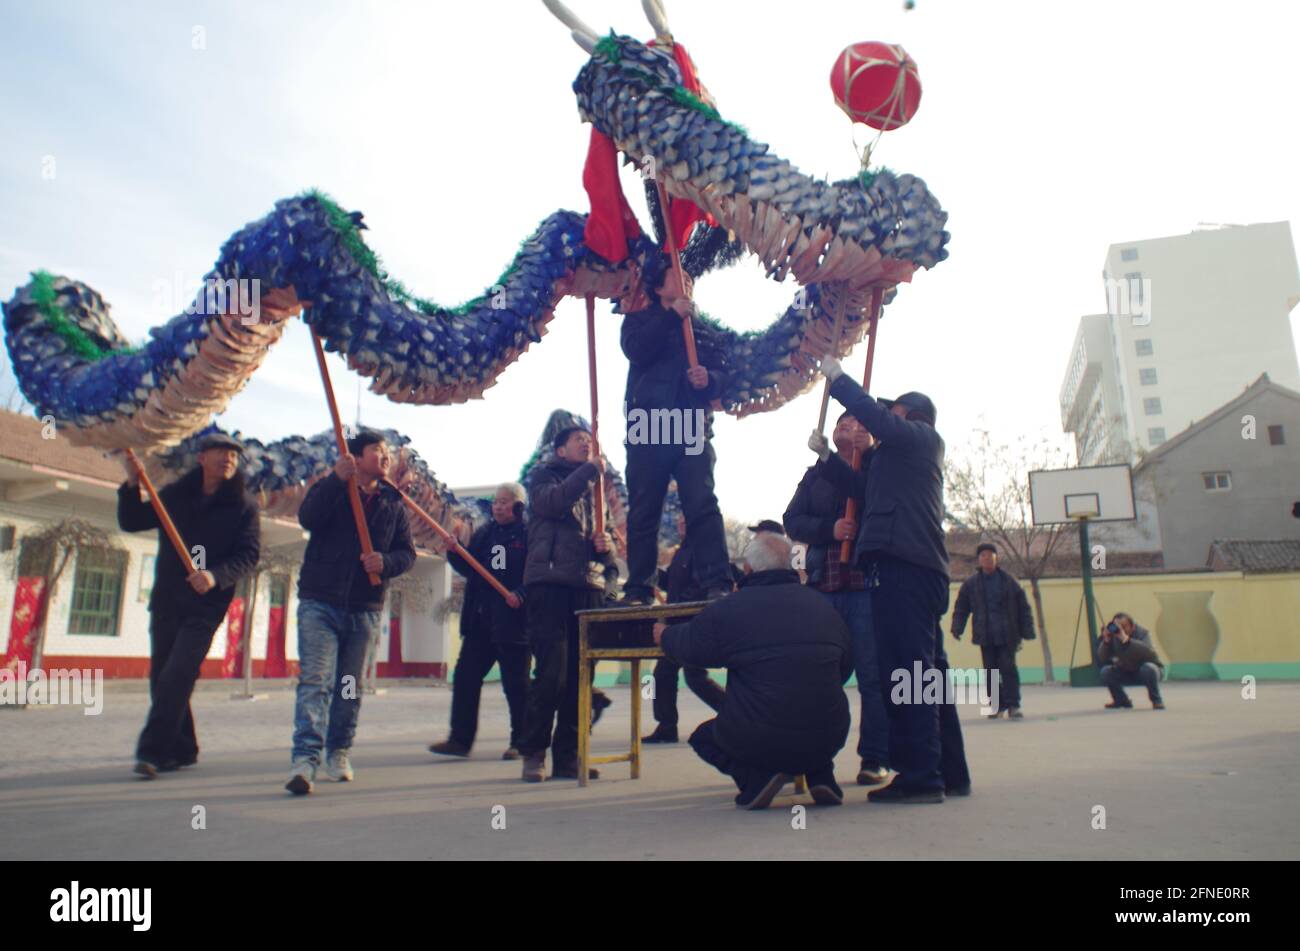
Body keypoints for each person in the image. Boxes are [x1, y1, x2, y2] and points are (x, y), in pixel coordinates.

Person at [814, 357, 950, 804]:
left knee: (908, 675)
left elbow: (879, 424)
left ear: (911, 417)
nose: (883, 418)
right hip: (904, 570)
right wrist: (828, 459)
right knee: (921, 676)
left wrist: (839, 382)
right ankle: (948, 771)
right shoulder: (897, 462)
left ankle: (922, 777)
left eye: (891, 412)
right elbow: (862, 490)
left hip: (907, 569)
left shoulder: (921, 439)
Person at [655, 533, 853, 810]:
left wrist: (665, 635)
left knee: (704, 738)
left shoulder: (731, 608)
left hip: (761, 737)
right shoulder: (824, 606)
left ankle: (757, 779)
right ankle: (821, 775)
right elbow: (843, 667)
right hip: (831, 733)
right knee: (810, 718)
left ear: (748, 568)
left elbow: (691, 648)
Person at [119, 433, 261, 779]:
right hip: (167, 597)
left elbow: (249, 555)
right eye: (221, 453)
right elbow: (132, 520)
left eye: (233, 455)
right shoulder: (175, 496)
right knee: (162, 676)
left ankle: (152, 752)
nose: (228, 459)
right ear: (202, 458)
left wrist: (214, 576)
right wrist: (131, 482)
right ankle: (183, 748)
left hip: (206, 604)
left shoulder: (243, 505)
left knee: (178, 673)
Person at [286, 430, 416, 795]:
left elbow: (407, 554)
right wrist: (334, 481)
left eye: (387, 451)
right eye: (377, 449)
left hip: (365, 608)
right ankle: (304, 760)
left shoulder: (394, 503)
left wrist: (385, 561)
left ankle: (339, 750)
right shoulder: (332, 488)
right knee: (315, 681)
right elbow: (308, 519)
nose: (385, 456)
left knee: (348, 686)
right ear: (356, 458)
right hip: (320, 601)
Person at [785, 410, 890, 785]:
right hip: (824, 586)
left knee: (873, 678)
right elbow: (792, 520)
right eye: (842, 424)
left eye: (858, 424)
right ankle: (814, 760)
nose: (849, 428)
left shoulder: (881, 467)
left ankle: (875, 758)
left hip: (866, 586)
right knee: (820, 677)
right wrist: (831, 528)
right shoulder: (816, 474)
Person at [618, 262, 733, 604]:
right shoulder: (639, 320)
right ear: (657, 288)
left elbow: (727, 373)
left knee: (701, 502)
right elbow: (636, 350)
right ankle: (640, 587)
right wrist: (671, 317)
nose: (685, 279)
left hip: (691, 423)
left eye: (688, 276)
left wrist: (709, 379)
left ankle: (718, 581)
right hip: (648, 426)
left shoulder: (704, 331)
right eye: (676, 275)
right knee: (643, 510)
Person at [518, 426, 619, 782]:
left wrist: (606, 545)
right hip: (549, 586)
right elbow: (553, 502)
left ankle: (569, 756)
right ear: (560, 451)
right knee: (551, 675)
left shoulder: (597, 494)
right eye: (579, 440)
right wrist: (590, 470)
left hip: (587, 587)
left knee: (581, 678)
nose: (586, 444)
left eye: (589, 442)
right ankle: (534, 753)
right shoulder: (543, 477)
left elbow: (612, 553)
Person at [429, 483, 530, 760]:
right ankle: (459, 740)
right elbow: (473, 570)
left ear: (519, 506)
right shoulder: (485, 533)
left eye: (505, 502)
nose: (498, 506)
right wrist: (455, 550)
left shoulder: (529, 534)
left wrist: (521, 594)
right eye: (496, 502)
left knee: (516, 685)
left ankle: (522, 742)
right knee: (465, 678)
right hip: (480, 622)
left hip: (513, 624)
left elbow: (537, 575)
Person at [643, 513, 726, 744]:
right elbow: (671, 584)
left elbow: (699, 591)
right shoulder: (684, 551)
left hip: (690, 624)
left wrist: (677, 609)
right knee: (667, 675)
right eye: (679, 522)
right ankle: (667, 725)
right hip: (678, 624)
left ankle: (734, 712)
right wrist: (649, 567)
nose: (680, 525)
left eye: (684, 521)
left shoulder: (702, 552)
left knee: (693, 677)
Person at [951, 542, 1036, 719]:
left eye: (990, 555)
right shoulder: (971, 584)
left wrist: (1027, 630)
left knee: (1008, 669)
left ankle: (1013, 705)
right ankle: (997, 706)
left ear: (996, 558)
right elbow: (962, 607)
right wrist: (957, 627)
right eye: (983, 555)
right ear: (979, 560)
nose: (987, 558)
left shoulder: (1009, 581)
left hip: (1007, 634)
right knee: (990, 672)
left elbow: (1023, 606)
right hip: (985, 634)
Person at [1098, 613, 1165, 710]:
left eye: (1124, 627)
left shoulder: (1142, 633)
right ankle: (1121, 700)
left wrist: (1126, 640)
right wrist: (1106, 641)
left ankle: (1157, 700)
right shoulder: (1113, 637)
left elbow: (1148, 653)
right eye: (1118, 627)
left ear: (1132, 627)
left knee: (1148, 669)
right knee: (1106, 671)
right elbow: (1102, 658)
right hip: (1127, 671)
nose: (1121, 630)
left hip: (1149, 671)